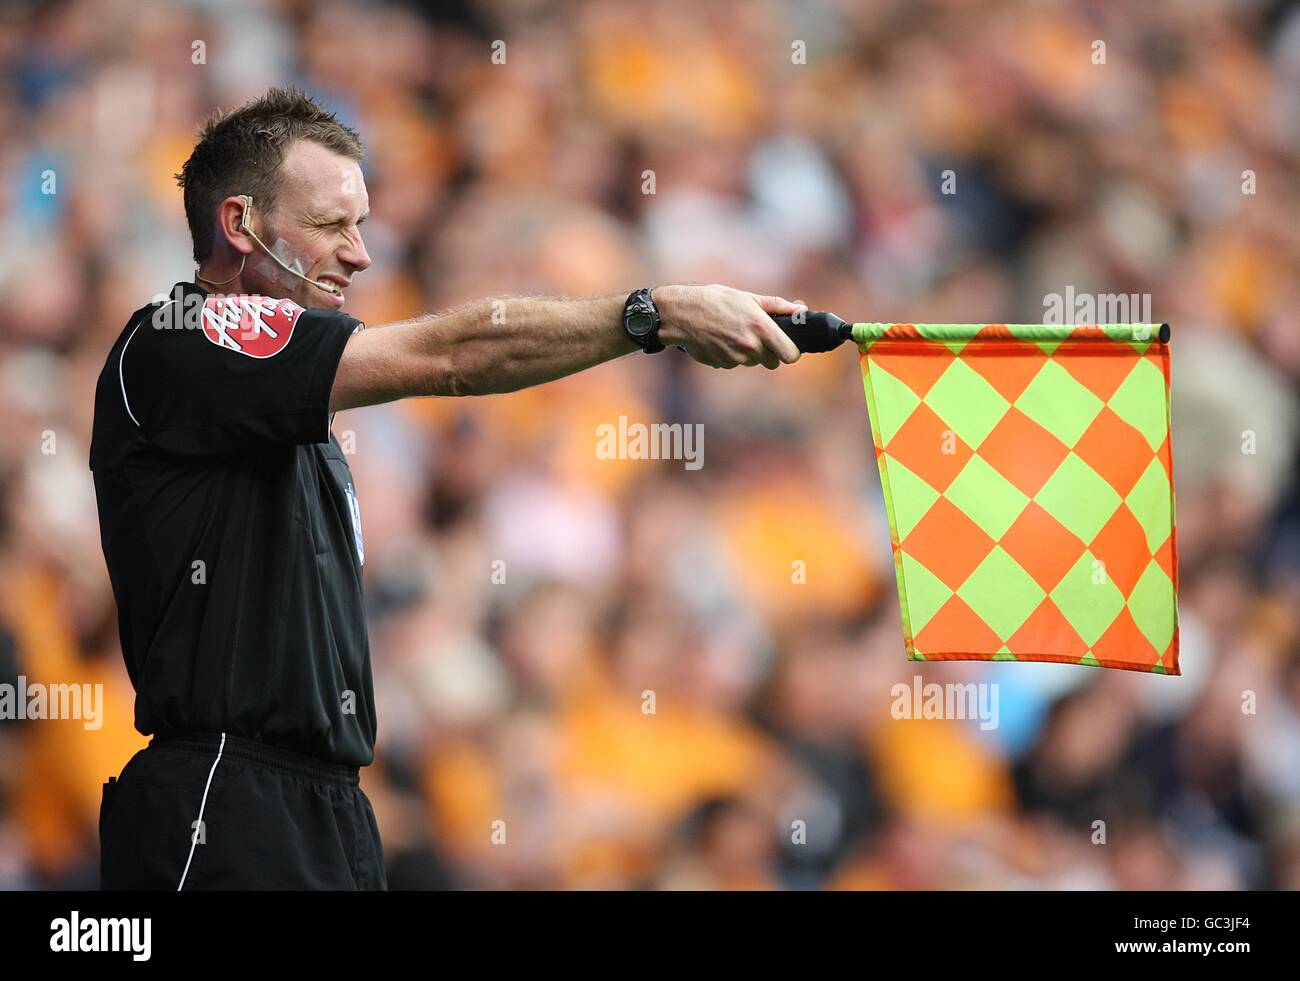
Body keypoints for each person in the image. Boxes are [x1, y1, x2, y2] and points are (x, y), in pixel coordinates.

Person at [89, 86, 806, 890]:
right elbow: (453, 356)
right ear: (238, 224)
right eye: (331, 225)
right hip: (223, 807)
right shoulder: (179, 335)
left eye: (361, 223)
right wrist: (653, 313)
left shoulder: (287, 414)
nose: (361, 253)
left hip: (326, 809)